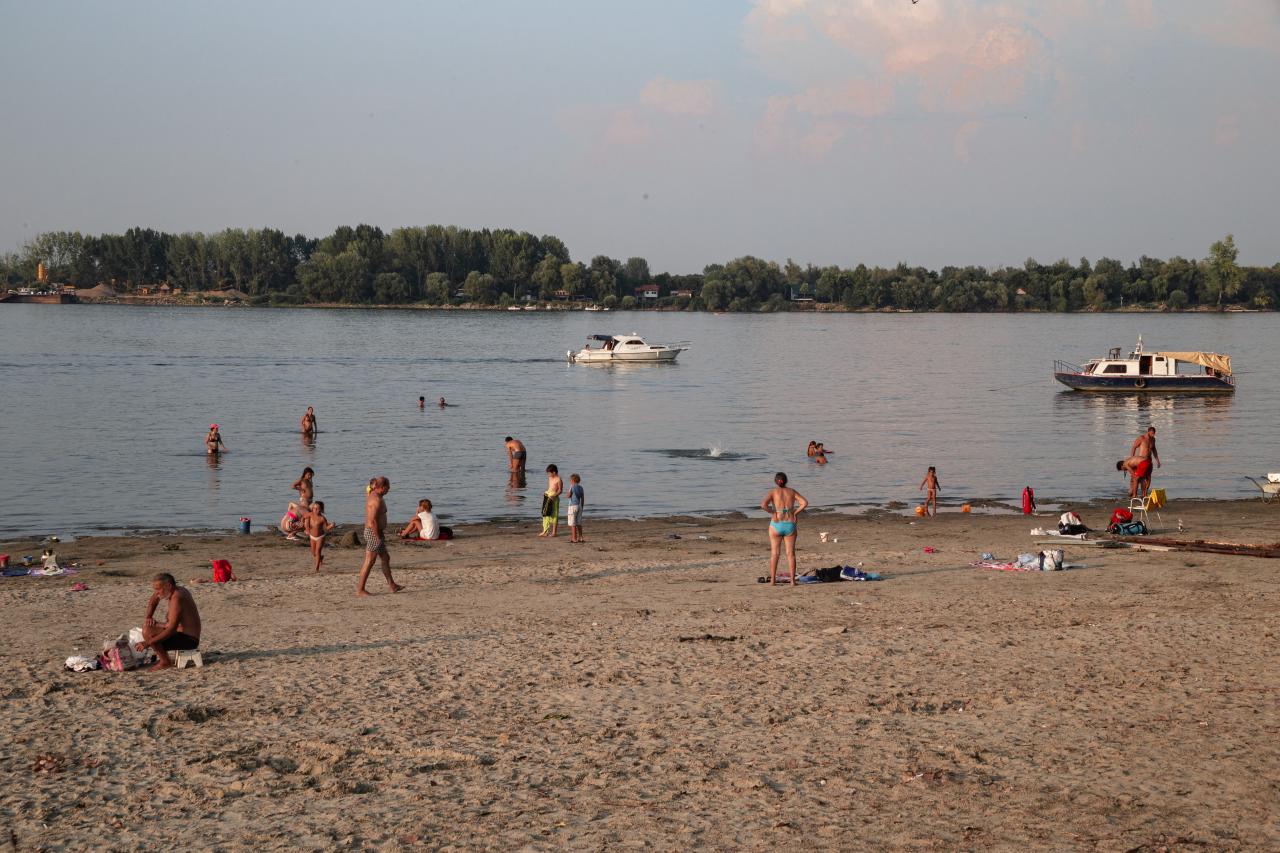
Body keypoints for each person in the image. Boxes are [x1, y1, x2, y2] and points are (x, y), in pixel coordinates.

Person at [136, 573, 201, 670]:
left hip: (189, 639)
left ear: (168, 585)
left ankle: (165, 662)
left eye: (158, 589)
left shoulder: (177, 597)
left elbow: (171, 629)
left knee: (149, 633)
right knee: (147, 626)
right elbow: (154, 599)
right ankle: (164, 658)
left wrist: (148, 643)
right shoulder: (172, 590)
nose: (157, 592)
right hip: (178, 631)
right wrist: (149, 617)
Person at [357, 476, 403, 596]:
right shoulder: (375, 500)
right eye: (388, 487)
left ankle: (392, 585)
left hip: (377, 532)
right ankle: (360, 590)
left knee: (385, 558)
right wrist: (377, 538)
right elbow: (372, 521)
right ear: (382, 487)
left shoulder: (376, 495)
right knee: (370, 561)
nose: (389, 489)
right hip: (373, 533)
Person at [761, 472, 808, 586]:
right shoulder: (792, 491)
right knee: (790, 554)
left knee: (775, 554)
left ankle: (772, 581)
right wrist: (795, 513)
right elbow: (804, 503)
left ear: (776, 481)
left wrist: (773, 513)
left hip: (776, 524)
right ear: (786, 481)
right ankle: (792, 581)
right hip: (789, 524)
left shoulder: (773, 492)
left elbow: (763, 505)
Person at [303, 501, 335, 572]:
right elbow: (304, 517)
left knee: (317, 551)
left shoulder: (322, 518)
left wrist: (331, 526)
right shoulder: (310, 514)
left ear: (321, 510)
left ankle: (317, 568)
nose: (315, 510)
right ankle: (320, 558)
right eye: (314, 508)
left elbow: (326, 528)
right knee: (313, 553)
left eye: (317, 509)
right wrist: (304, 527)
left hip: (320, 537)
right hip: (312, 537)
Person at [540, 464, 562, 538]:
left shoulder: (559, 479)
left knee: (554, 515)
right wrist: (546, 492)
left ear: (554, 472)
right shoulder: (550, 478)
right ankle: (545, 531)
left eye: (549, 473)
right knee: (545, 513)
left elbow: (560, 490)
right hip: (548, 496)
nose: (548, 474)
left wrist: (554, 495)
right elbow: (550, 487)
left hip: (554, 498)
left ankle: (554, 532)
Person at [566, 473, 585, 543]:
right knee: (579, 523)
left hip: (572, 506)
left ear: (572, 480)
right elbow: (582, 498)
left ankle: (574, 538)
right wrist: (582, 506)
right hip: (579, 506)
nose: (570, 481)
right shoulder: (581, 487)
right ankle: (581, 537)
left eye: (570, 480)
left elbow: (568, 496)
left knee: (572, 523)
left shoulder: (572, 486)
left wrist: (568, 493)